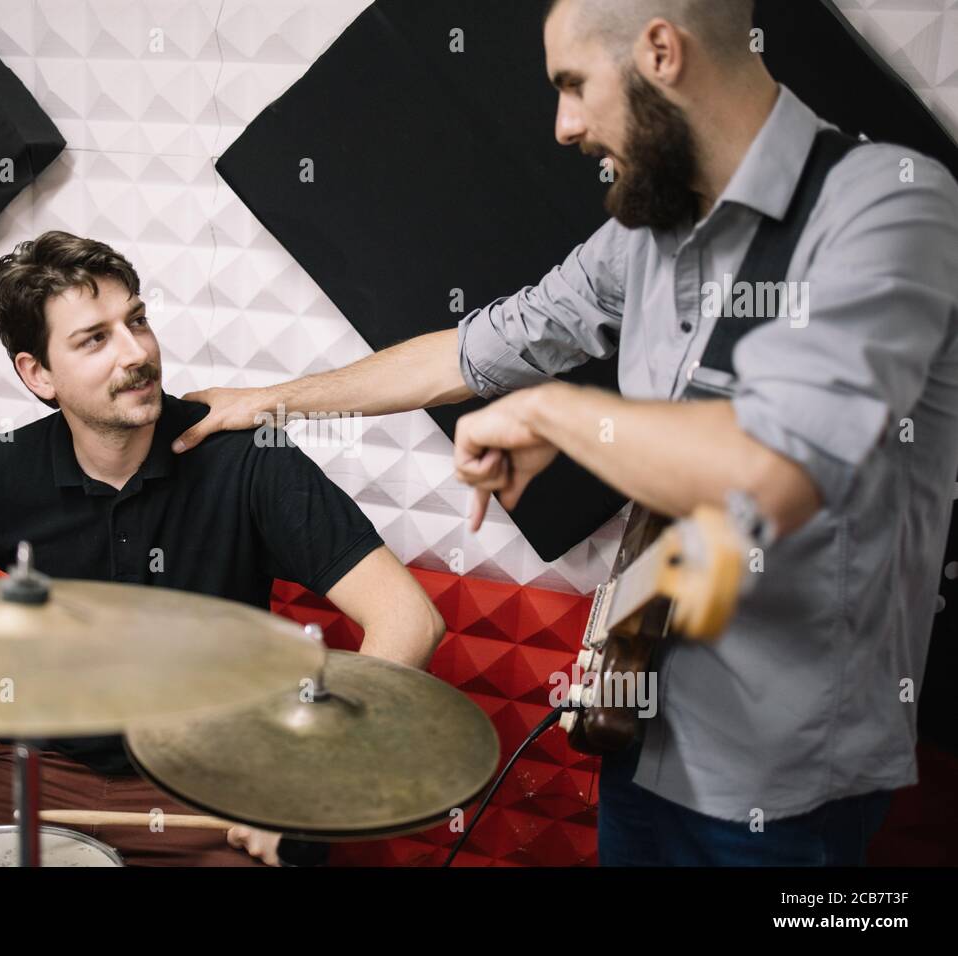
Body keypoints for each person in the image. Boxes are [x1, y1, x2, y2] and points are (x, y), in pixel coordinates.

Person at [167, 0, 958, 865]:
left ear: (661, 51)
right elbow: (469, 354)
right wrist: (266, 402)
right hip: (635, 728)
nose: (562, 125)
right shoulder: (644, 237)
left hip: (788, 784)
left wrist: (556, 412)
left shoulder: (888, 207)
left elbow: (775, 471)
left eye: (573, 86)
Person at [0, 231, 444, 866]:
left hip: (210, 788)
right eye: (95, 338)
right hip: (30, 775)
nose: (136, 352)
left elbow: (409, 619)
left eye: (136, 321)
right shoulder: (6, 471)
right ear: (38, 375)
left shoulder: (250, 462)